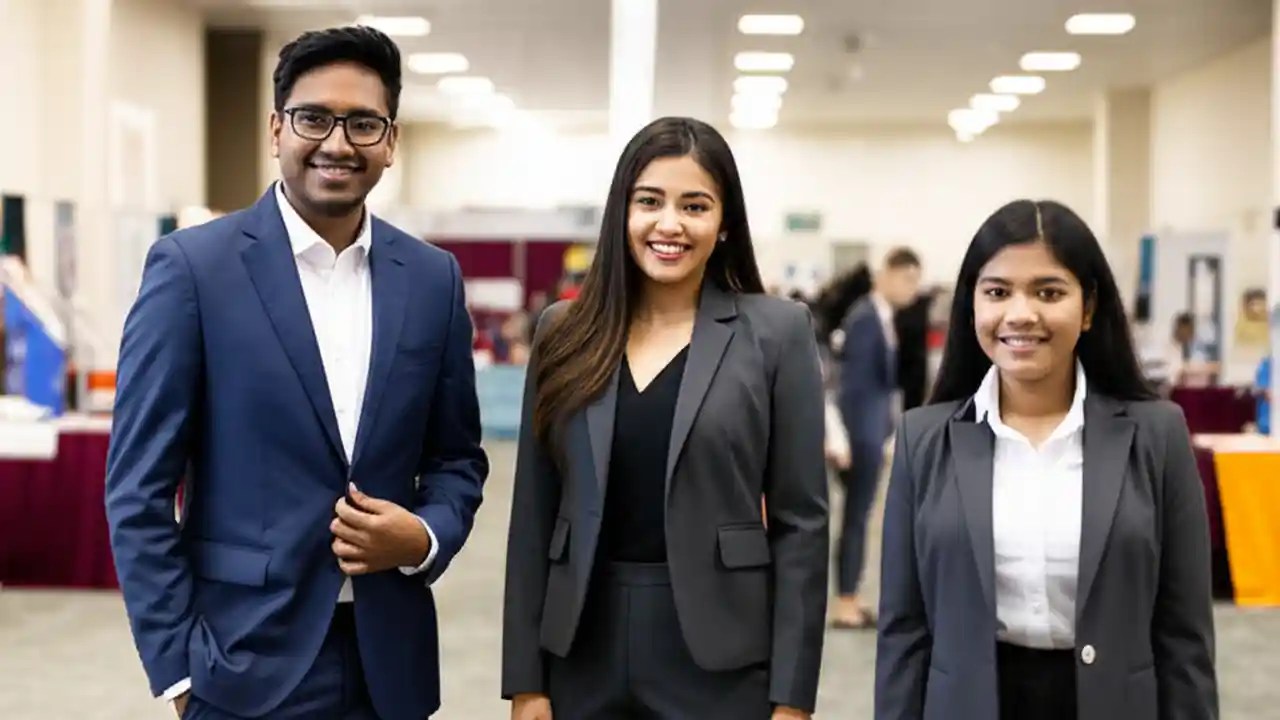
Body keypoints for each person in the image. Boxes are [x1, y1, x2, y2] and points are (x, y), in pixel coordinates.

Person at [105, 26, 488, 720]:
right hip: (239, 666)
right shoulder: (193, 270)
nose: (338, 143)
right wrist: (178, 671)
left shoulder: (433, 279)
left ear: (391, 141)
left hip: (389, 666)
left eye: (364, 123)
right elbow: (138, 489)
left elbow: (457, 457)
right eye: (314, 118)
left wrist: (425, 536)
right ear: (276, 129)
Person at [501, 117, 829, 720]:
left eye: (695, 205)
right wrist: (527, 683)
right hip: (581, 649)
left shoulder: (777, 334)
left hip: (721, 656)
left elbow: (801, 525)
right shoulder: (563, 333)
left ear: (724, 222)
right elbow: (532, 515)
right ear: (621, 211)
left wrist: (793, 700)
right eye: (649, 201)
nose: (669, 224)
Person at [875, 199, 1217, 719]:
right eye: (997, 292)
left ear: (1087, 308)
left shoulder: (1157, 435)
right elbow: (904, 633)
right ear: (973, 306)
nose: (1020, 314)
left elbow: (1184, 636)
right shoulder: (925, 440)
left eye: (1048, 292)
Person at [832, 247, 921, 629]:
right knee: (854, 517)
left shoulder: (883, 317)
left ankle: (850, 596)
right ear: (885, 275)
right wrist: (851, 438)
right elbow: (854, 386)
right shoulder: (866, 317)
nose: (912, 289)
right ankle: (845, 602)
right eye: (907, 279)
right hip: (861, 435)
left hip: (873, 431)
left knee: (861, 516)